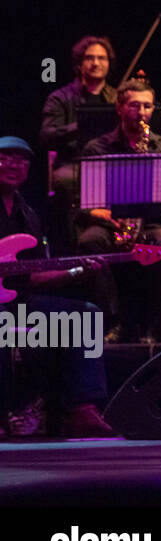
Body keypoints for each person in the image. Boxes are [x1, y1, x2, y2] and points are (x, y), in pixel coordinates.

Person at [0, 135, 116, 438]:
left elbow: (32, 276)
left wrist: (78, 271)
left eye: (22, 159)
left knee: (85, 315)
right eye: (6, 157)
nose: (14, 164)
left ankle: (82, 409)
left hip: (16, 305)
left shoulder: (28, 215)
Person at [78, 78, 161, 342]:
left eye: (147, 106)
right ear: (120, 108)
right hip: (109, 220)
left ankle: (149, 324)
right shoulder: (97, 147)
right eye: (135, 106)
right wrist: (114, 221)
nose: (142, 112)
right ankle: (114, 319)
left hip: (150, 221)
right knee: (89, 241)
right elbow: (85, 206)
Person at [40, 36, 117, 252]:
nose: (96, 63)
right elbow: (47, 135)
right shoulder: (60, 97)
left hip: (109, 162)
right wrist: (81, 125)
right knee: (67, 180)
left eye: (101, 58)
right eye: (89, 58)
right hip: (73, 162)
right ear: (79, 64)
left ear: (108, 64)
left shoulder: (116, 98)